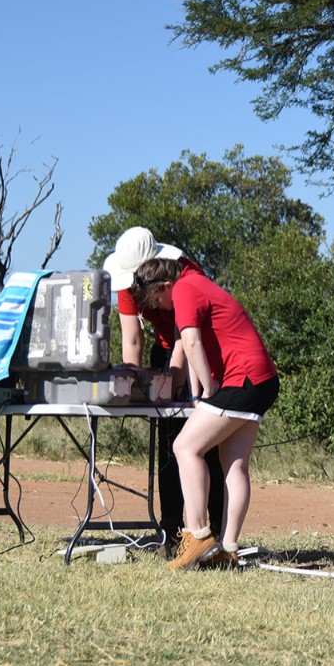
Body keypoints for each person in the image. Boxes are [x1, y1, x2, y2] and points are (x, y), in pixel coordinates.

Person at [129, 256, 280, 570]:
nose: (159, 306)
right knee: (233, 463)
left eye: (157, 299)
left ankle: (198, 536)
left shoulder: (184, 289)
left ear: (166, 286)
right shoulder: (196, 283)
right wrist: (203, 394)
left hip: (242, 380)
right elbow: (194, 343)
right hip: (261, 379)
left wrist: (207, 393)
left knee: (184, 447)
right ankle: (228, 547)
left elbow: (192, 342)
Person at [102, 227, 224, 554]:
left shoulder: (185, 272)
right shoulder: (128, 285)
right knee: (170, 445)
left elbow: (189, 334)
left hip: (199, 351)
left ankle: (216, 532)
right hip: (164, 351)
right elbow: (132, 338)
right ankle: (170, 531)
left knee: (205, 442)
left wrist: (175, 378)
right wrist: (136, 380)